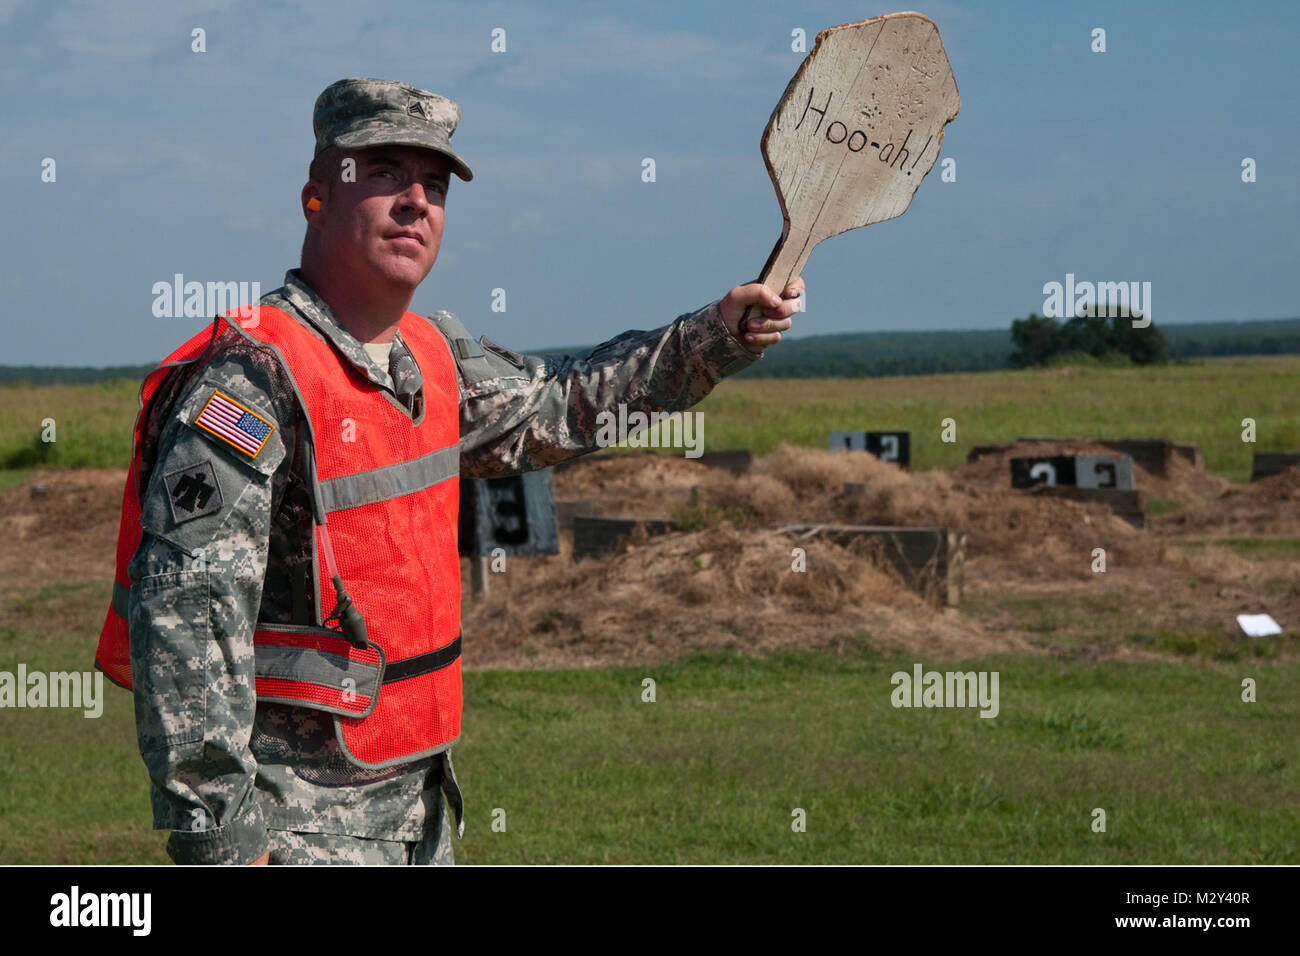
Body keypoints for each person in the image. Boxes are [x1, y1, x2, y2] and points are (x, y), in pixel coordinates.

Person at [96, 77, 804, 865]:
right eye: (386, 175)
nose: (416, 203)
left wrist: (717, 334)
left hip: (420, 811)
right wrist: (224, 845)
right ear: (316, 198)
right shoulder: (252, 378)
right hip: (292, 831)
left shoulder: (431, 360)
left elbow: (561, 407)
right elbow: (187, 624)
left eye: (433, 186)